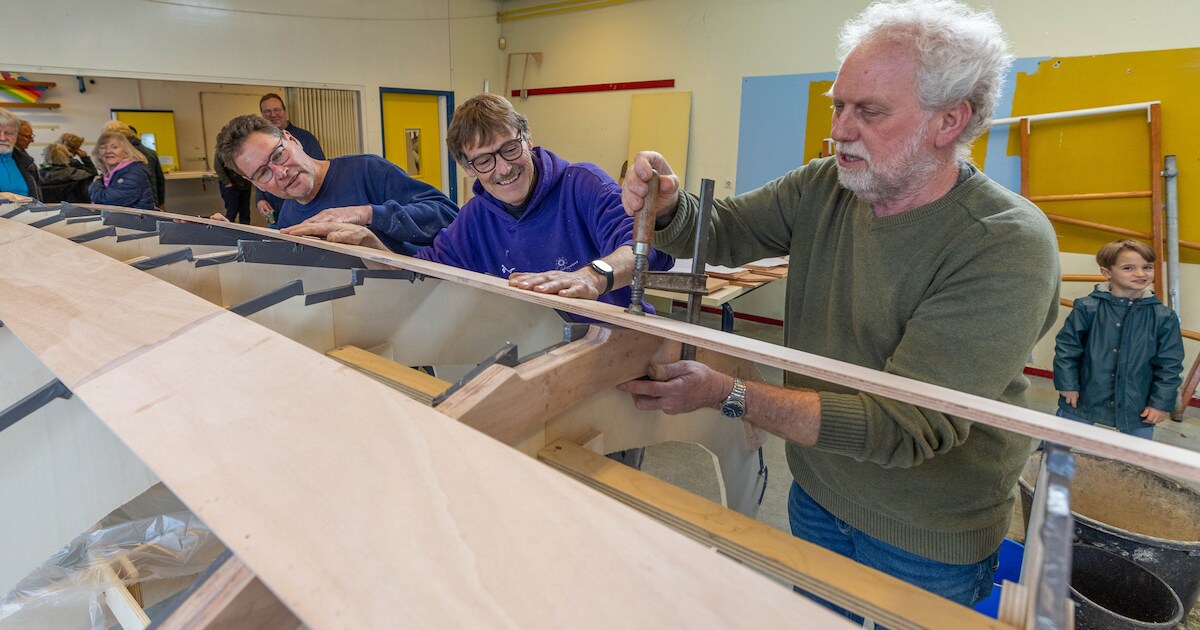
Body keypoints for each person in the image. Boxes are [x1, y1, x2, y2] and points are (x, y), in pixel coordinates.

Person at [619, 0, 1060, 615]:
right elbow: (715, 231)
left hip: (926, 535)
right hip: (819, 492)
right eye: (838, 105)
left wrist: (729, 392)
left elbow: (904, 426)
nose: (840, 130)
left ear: (949, 122)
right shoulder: (825, 184)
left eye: (869, 112)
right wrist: (667, 206)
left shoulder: (1004, 243)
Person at [283, 93, 673, 311]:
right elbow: (421, 274)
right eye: (484, 160)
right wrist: (372, 245)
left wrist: (591, 277)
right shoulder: (473, 221)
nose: (502, 169)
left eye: (508, 149)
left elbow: (647, 248)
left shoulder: (581, 185)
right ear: (466, 166)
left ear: (527, 136)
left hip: (610, 350)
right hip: (534, 356)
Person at [214, 115, 455, 253]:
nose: (282, 172)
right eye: (264, 173)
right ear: (254, 183)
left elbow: (450, 218)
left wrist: (367, 213)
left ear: (292, 139)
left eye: (278, 155)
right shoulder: (289, 217)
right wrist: (232, 239)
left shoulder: (367, 170)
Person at [1053, 239, 1184, 439]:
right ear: (1107, 272)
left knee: (1135, 462)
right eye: (1129, 268)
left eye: (1147, 267)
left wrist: (1159, 403)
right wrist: (1067, 385)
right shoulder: (1086, 308)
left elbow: (1170, 365)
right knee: (1056, 449)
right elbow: (1067, 350)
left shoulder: (1164, 317)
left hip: (1137, 404)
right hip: (1084, 397)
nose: (1140, 274)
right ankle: (1053, 470)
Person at [256, 93, 324, 225]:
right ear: (262, 115)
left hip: (305, 216)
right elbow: (260, 173)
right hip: (276, 217)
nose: (273, 114)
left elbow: (318, 172)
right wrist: (260, 199)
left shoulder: (306, 138)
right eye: (267, 111)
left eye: (277, 110)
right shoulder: (261, 143)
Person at [101, 121, 165, 209]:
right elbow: (160, 181)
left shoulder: (118, 154)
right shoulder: (151, 153)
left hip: (130, 206)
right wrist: (161, 204)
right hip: (151, 203)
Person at [89, 131, 156, 210]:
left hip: (133, 221)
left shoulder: (134, 173)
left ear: (126, 152)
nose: (108, 151)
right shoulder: (108, 174)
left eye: (114, 147)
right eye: (103, 147)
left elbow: (105, 201)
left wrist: (96, 183)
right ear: (98, 153)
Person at [0, 108, 40, 200]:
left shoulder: (27, 163)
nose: (2, 138)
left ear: (16, 136)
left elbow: (37, 200)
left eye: (9, 133)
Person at [213, 151, 252, 224]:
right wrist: (227, 182)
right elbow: (218, 168)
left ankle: (245, 233)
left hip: (245, 184)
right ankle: (229, 233)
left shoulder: (243, 149)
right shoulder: (222, 151)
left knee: (245, 212)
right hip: (231, 186)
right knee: (231, 212)